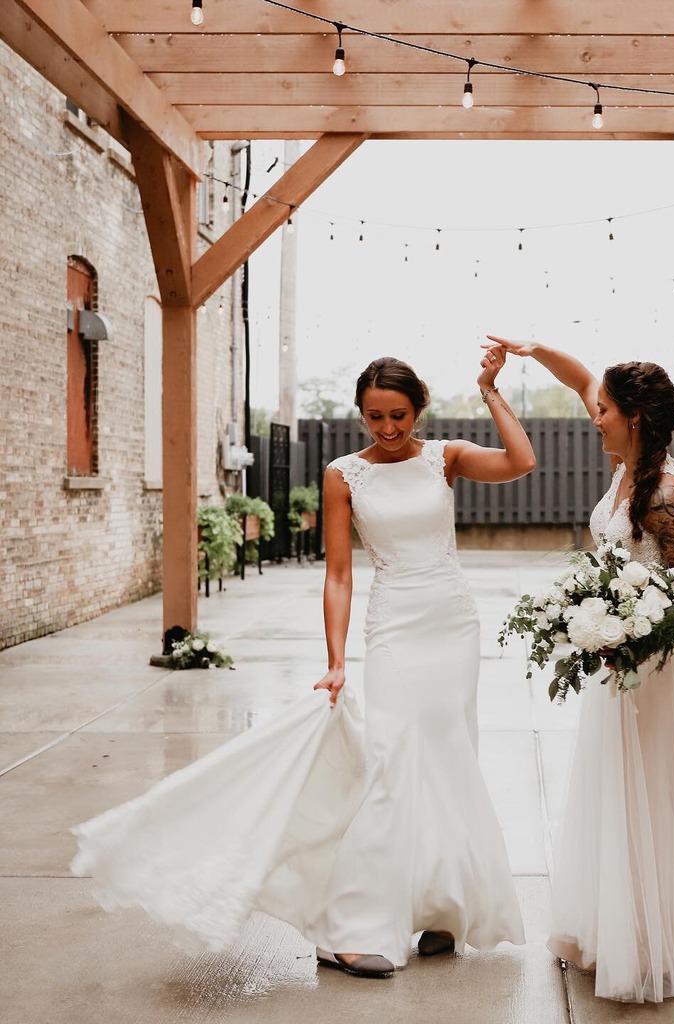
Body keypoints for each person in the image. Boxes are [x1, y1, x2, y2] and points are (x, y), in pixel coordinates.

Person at [72, 347, 533, 980]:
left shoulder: (444, 458)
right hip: (395, 629)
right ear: (361, 415)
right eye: (375, 417)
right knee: (392, 766)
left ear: (418, 409)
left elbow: (521, 461)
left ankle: (438, 907)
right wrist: (336, 659)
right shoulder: (345, 475)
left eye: (398, 415)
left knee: (450, 762)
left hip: (452, 626)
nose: (388, 428)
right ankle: (349, 927)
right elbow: (339, 574)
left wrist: (490, 389)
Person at [486, 336, 674, 1004]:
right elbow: (582, 378)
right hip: (617, 670)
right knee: (616, 795)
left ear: (633, 418)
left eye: (604, 410)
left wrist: (632, 629)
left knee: (654, 799)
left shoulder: (665, 494)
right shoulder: (623, 468)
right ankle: (617, 928)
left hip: (657, 675)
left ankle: (656, 944)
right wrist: (530, 350)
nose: (594, 416)